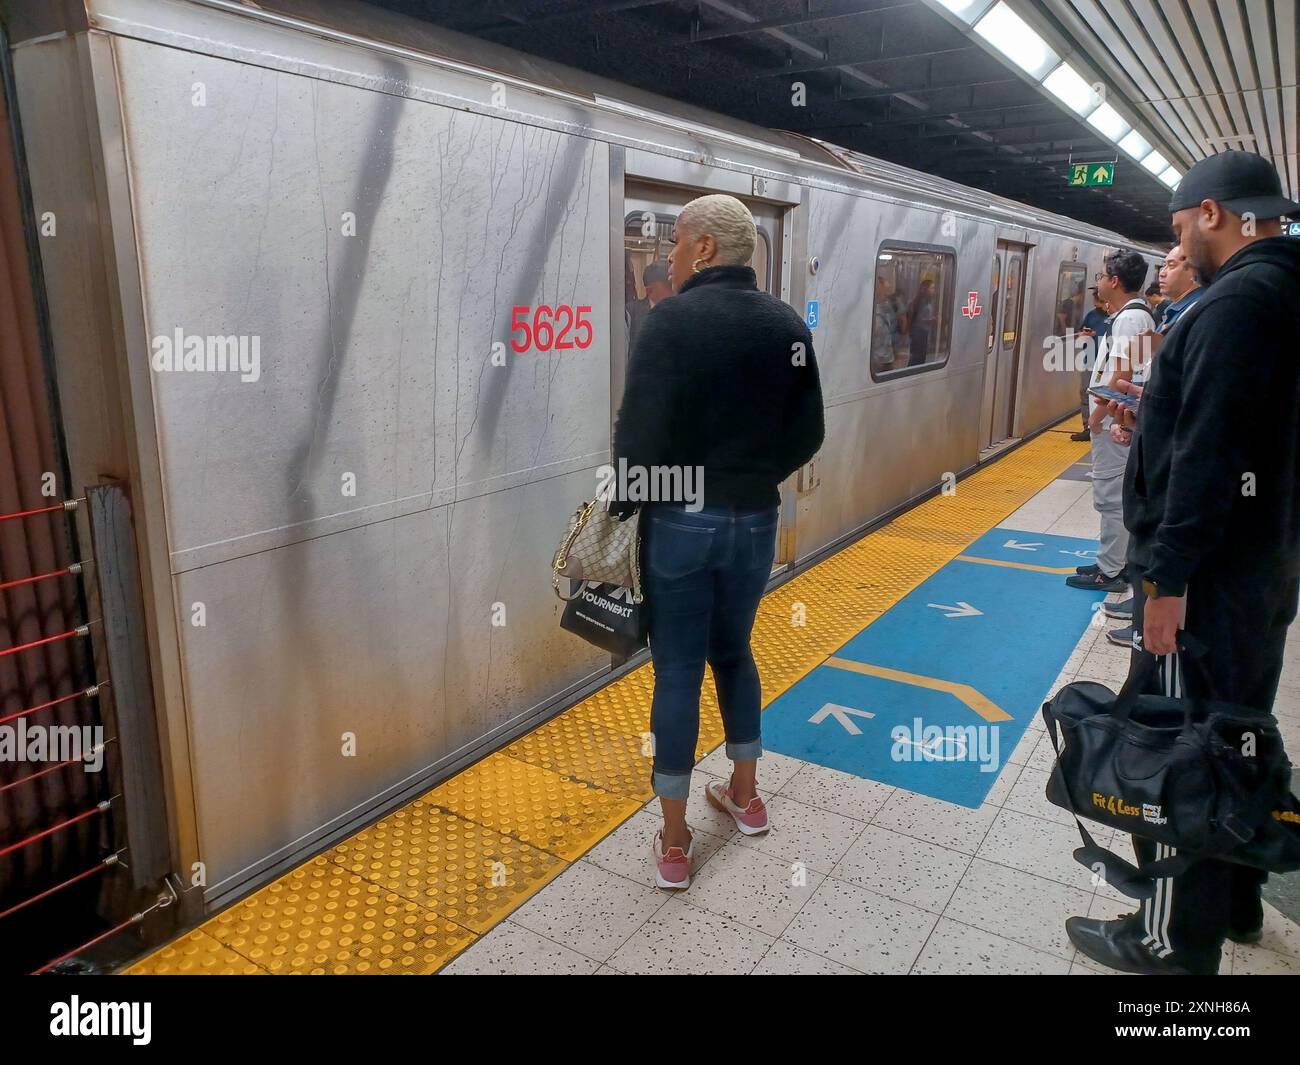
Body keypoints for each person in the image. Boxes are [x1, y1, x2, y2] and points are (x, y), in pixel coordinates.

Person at [1066, 150, 1300, 976]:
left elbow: (1205, 457)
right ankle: (1234, 900)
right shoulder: (1285, 289)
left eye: (1177, 230)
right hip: (1257, 574)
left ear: (1213, 214)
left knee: (1179, 751)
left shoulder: (1237, 303)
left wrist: (1166, 581)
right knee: (1233, 734)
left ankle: (1167, 940)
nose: (1177, 248)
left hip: (1205, 586)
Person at [611, 193, 825, 891]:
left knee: (677, 668)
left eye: (675, 242)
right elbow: (809, 432)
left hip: (680, 520)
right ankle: (747, 796)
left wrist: (630, 507)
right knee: (734, 651)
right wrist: (752, 476)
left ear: (703, 249)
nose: (668, 254)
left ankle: (675, 842)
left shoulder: (671, 319)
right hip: (754, 520)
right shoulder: (786, 324)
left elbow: (637, 441)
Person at [1104, 244, 1203, 646]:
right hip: (1146, 432)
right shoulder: (1171, 313)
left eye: (1173, 264)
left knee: (1144, 526)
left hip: (1164, 457)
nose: (1162, 272)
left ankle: (1146, 614)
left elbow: (1130, 368)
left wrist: (1107, 410)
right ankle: (1140, 603)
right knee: (1140, 533)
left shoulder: (1193, 316)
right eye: (1162, 264)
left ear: (1194, 272)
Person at [1066, 250, 1152, 593]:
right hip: (1117, 416)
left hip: (1113, 418)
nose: (1098, 282)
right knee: (1113, 492)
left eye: (1101, 276)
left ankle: (1111, 570)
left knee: (1110, 494)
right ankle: (1112, 560)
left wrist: (1096, 419)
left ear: (1114, 281)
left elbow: (1121, 375)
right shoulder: (1134, 316)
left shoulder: (1130, 320)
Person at [1070, 287, 1111, 441]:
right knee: (1085, 392)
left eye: (1100, 301)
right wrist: (1084, 336)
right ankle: (1087, 426)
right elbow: (1081, 334)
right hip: (1089, 360)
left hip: (1106, 364)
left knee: (1101, 395)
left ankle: (1102, 425)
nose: (1097, 305)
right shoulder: (1092, 315)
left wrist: (1097, 335)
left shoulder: (1116, 317)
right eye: (1096, 301)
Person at [626, 260, 672, 354]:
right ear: (650, 290)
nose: (674, 290)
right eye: (669, 287)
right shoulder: (631, 313)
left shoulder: (681, 313)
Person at [871, 267, 909, 373]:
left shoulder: (891, 303)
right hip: (876, 357)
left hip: (888, 354)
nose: (888, 286)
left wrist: (897, 349)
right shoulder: (872, 306)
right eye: (884, 284)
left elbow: (901, 320)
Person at [907, 272, 937, 367]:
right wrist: (932, 320)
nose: (933, 290)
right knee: (917, 359)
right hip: (919, 334)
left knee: (919, 358)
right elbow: (920, 319)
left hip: (921, 333)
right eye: (932, 288)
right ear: (925, 289)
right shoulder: (921, 301)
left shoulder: (927, 301)